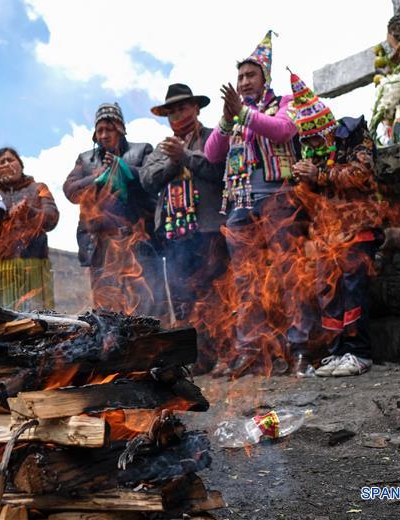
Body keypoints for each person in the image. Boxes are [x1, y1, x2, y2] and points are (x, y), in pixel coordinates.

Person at [203, 31, 301, 376]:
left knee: (288, 274)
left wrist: (242, 113)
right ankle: (251, 350)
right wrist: (228, 117)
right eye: (240, 76)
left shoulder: (286, 102)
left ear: (265, 78)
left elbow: (284, 131)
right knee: (247, 282)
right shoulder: (234, 115)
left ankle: (299, 347)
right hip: (240, 206)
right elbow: (211, 153)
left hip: (277, 198)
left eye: (250, 75)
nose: (244, 81)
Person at [287, 71, 382, 377]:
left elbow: (359, 174)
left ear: (325, 128)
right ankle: (338, 351)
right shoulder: (310, 152)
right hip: (327, 236)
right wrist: (302, 182)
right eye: (306, 139)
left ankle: (360, 353)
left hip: (357, 227)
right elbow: (309, 200)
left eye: (313, 136)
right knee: (330, 294)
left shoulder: (354, 134)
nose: (310, 143)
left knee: (354, 290)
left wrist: (319, 175)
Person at [140, 84, 228, 364]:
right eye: (172, 111)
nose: (177, 114)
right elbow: (147, 180)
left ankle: (224, 356)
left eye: (182, 107)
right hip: (174, 234)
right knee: (182, 296)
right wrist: (173, 163)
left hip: (209, 229)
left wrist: (186, 156)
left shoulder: (214, 137)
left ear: (196, 108)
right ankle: (198, 359)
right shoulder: (160, 149)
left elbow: (220, 171)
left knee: (216, 291)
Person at [63, 102, 160, 316]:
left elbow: (152, 178)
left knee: (147, 307)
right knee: (107, 310)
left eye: (110, 129)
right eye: (100, 130)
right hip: (101, 245)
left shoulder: (142, 150)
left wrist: (123, 169)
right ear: (95, 135)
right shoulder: (85, 160)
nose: (105, 135)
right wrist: (97, 176)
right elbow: (69, 190)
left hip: (137, 241)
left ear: (121, 130)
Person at [0, 147, 59, 311]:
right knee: (4, 320)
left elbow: (52, 218)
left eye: (11, 159)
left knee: (40, 319)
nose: (7, 163)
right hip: (0, 267)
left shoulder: (38, 188)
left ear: (21, 165)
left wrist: (30, 211)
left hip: (35, 263)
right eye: (2, 162)